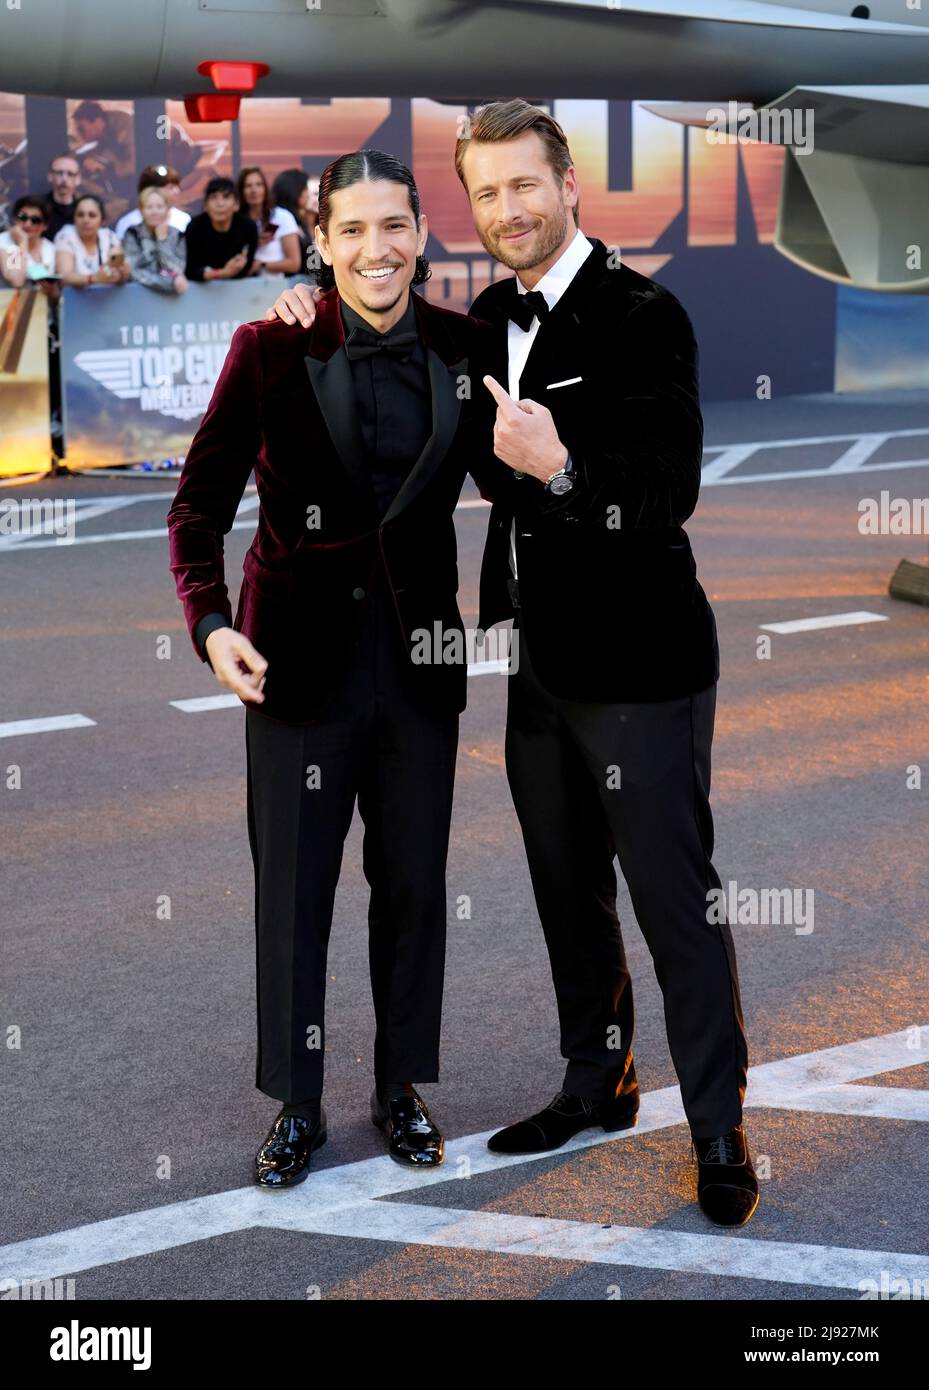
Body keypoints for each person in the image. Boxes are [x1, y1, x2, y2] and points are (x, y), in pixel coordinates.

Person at [266, 99, 758, 1228]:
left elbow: (669, 487)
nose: (506, 210)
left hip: (641, 669)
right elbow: (373, 322)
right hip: (534, 670)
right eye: (484, 194)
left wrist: (564, 467)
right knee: (564, 892)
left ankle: (721, 1127)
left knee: (673, 901)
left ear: (568, 183)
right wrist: (299, 300)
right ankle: (597, 1081)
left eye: (523, 185)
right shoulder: (482, 318)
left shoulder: (645, 313)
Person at [166, 149, 497, 1190]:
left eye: (391, 226)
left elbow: (517, 484)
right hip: (293, 671)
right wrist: (211, 622)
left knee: (410, 887)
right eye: (349, 230)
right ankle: (297, 1103)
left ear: (419, 232)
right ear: (319, 241)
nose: (374, 249)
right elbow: (197, 508)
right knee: (295, 894)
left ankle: (401, 1085)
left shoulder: (466, 347)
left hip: (418, 671)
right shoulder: (269, 348)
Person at [183, 176, 258, 282]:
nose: (220, 204)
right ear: (205, 205)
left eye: (226, 197)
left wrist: (239, 267)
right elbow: (190, 270)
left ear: (236, 204)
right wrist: (222, 273)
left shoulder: (248, 227)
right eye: (213, 197)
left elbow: (248, 265)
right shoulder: (195, 227)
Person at [122, 187, 188, 295]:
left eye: (160, 207)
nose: (154, 212)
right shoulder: (133, 233)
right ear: (141, 210)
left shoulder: (177, 235)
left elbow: (177, 270)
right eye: (149, 207)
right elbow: (134, 271)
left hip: (172, 303)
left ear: (168, 210)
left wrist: (162, 240)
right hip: (138, 297)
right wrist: (169, 283)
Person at [237, 166, 301, 276]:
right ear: (241, 191)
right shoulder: (236, 220)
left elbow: (294, 264)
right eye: (248, 186)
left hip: (275, 287)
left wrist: (262, 265)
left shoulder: (281, 216)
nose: (254, 190)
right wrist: (254, 243)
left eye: (259, 184)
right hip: (241, 286)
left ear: (265, 188)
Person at [54, 193, 129, 288]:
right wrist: (94, 278)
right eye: (80, 215)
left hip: (107, 298)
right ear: (74, 218)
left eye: (92, 215)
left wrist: (122, 274)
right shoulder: (65, 236)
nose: (85, 220)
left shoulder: (109, 237)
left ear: (102, 220)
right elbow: (65, 277)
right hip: (74, 300)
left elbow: (118, 270)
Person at [115, 165, 191, 242]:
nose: (177, 192)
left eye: (177, 186)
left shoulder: (184, 219)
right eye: (170, 187)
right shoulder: (129, 222)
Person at [0, 195, 57, 287]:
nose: (28, 224)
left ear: (45, 226)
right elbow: (16, 281)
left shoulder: (50, 249)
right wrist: (22, 242)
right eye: (22, 217)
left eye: (35, 220)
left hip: (39, 300)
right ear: (14, 219)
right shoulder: (3, 241)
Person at [271, 168, 315, 270]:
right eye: (304, 189)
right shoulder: (277, 218)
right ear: (294, 191)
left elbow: (314, 264)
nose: (307, 194)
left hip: (306, 282)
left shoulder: (303, 221)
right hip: (283, 283)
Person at [42, 152, 81, 239]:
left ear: (78, 179)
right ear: (50, 176)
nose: (64, 179)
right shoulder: (37, 208)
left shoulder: (84, 210)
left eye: (70, 174)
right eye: (59, 173)